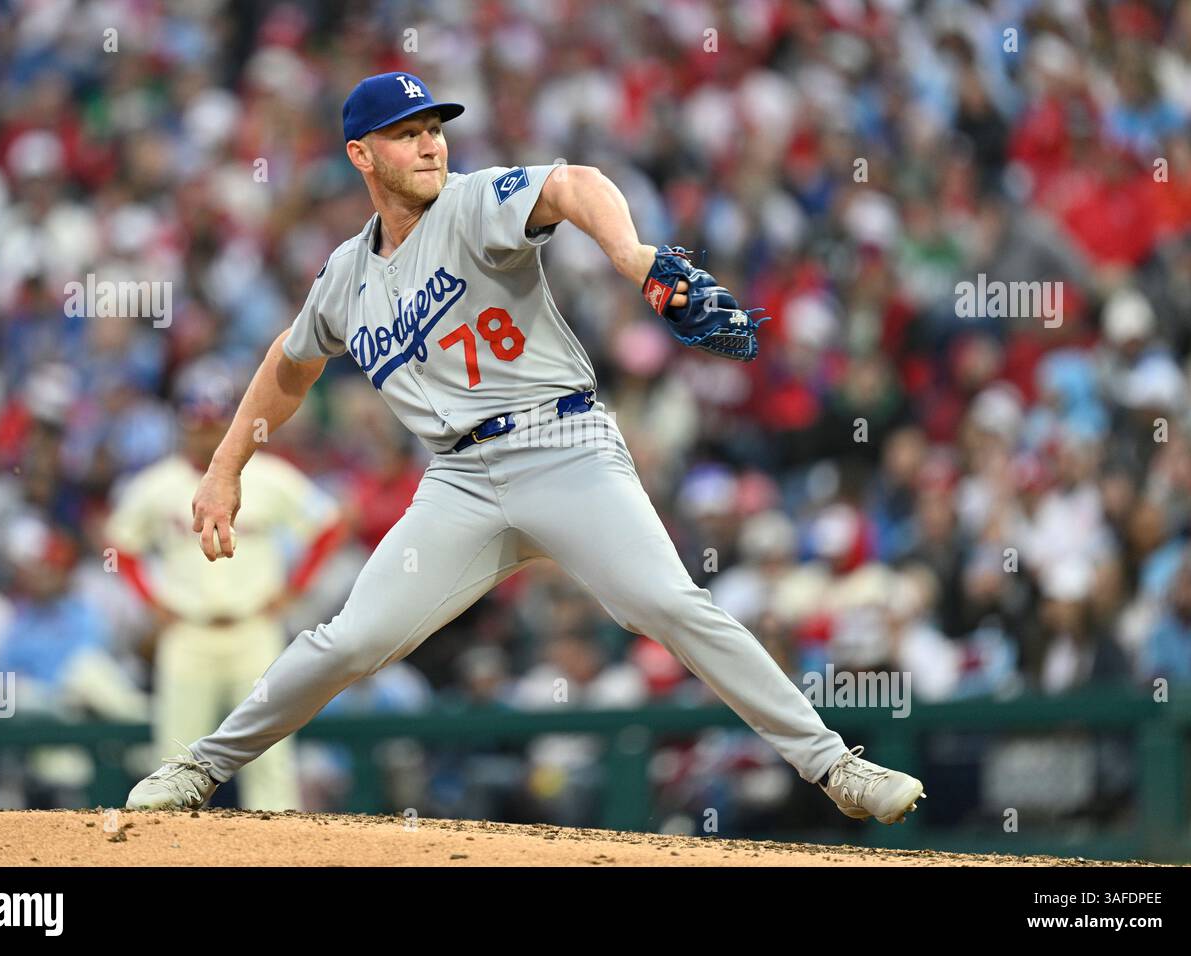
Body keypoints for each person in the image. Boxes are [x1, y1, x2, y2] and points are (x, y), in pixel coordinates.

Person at [126, 72, 925, 826]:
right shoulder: (344, 278)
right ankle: (198, 768)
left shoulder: (472, 201)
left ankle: (834, 768)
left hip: (563, 445)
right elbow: (289, 367)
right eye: (406, 135)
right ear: (360, 156)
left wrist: (632, 256)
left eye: (434, 128)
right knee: (352, 640)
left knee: (671, 606)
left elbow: (572, 184)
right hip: (460, 482)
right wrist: (225, 467)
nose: (432, 144)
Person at [111, 356, 344, 810]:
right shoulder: (156, 485)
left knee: (269, 760)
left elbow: (329, 526)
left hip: (253, 629)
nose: (204, 430)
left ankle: (278, 861)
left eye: (214, 420)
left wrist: (294, 590)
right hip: (188, 632)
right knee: (173, 761)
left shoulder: (269, 477)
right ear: (181, 424)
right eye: (196, 421)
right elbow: (120, 545)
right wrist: (150, 600)